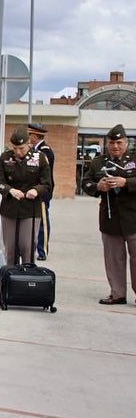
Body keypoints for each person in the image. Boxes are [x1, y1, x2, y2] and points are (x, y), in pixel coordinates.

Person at [81, 124, 136, 304]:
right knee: (114, 259)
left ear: (126, 143)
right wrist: (99, 186)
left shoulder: (134, 159)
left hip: (133, 218)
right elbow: (86, 183)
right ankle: (117, 293)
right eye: (112, 143)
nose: (115, 146)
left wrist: (125, 182)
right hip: (110, 217)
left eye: (119, 142)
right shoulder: (99, 162)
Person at [0, 126, 52, 266]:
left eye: (21, 148)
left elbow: (47, 184)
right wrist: (10, 190)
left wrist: (36, 190)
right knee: (11, 248)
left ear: (28, 144)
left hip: (30, 208)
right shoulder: (5, 157)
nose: (18, 152)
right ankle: (11, 278)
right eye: (15, 148)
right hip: (10, 208)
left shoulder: (40, 158)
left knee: (27, 246)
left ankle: (27, 279)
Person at [28, 123, 54, 260]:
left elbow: (41, 172)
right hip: (35, 191)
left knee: (43, 222)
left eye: (29, 135)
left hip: (42, 192)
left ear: (34, 136)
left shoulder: (45, 151)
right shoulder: (37, 150)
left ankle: (42, 250)